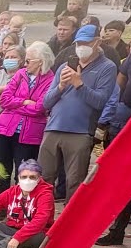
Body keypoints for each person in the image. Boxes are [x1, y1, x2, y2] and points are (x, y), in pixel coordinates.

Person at [38, 25, 118, 201]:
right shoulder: (65, 66)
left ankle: (68, 226)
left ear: (97, 42)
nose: (81, 47)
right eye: (78, 43)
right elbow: (46, 102)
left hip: (80, 132)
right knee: (44, 178)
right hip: (54, 127)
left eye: (85, 43)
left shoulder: (107, 67)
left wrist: (79, 84)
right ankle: (40, 220)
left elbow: (100, 101)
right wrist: (60, 86)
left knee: (74, 181)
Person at [0, 41, 56, 193]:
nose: (24, 64)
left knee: (24, 174)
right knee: (1, 171)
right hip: (5, 129)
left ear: (40, 61)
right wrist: (25, 102)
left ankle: (20, 209)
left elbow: (40, 108)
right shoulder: (20, 74)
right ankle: (0, 208)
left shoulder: (51, 79)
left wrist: (16, 105)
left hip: (29, 134)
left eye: (28, 61)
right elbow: (4, 100)